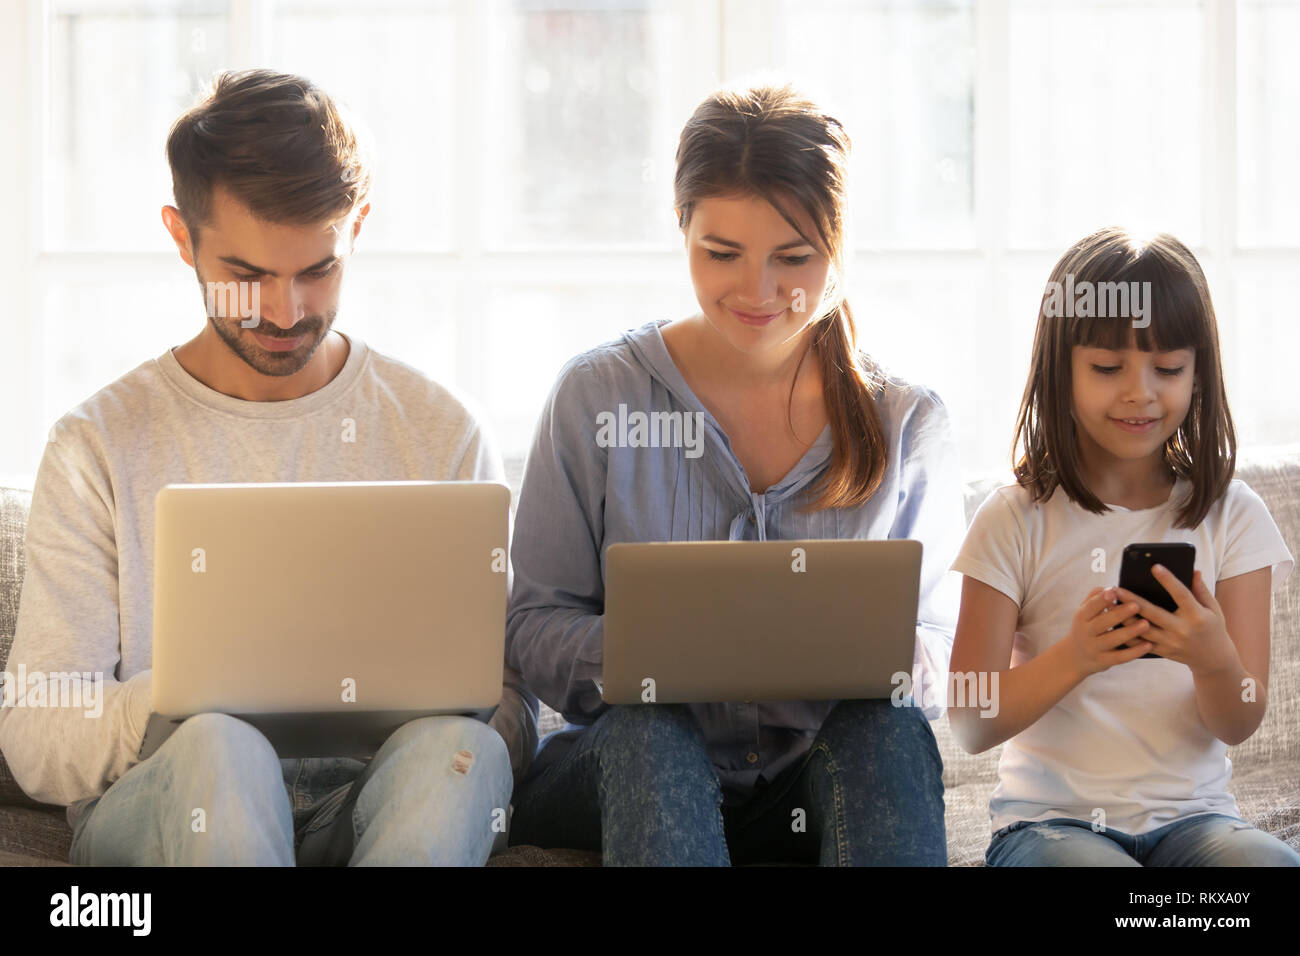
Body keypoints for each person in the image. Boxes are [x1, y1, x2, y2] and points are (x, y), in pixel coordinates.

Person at [0, 69, 536, 866]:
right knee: (223, 745)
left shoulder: (441, 431)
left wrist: (457, 708)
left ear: (357, 226)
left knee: (461, 754)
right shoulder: (97, 444)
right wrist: (188, 693)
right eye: (248, 275)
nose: (285, 312)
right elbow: (37, 735)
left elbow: (511, 712)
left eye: (318, 270)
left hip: (370, 804)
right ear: (182, 238)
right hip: (172, 803)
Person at [505, 81, 965, 866]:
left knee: (886, 731)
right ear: (680, 226)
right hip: (627, 770)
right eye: (721, 254)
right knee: (652, 728)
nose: (758, 293)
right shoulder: (597, 396)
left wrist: (833, 656)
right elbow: (531, 627)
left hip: (814, 778)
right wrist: (665, 656)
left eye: (794, 258)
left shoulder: (906, 422)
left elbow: (941, 642)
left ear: (841, 248)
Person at [948, 226, 1300, 866]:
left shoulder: (1232, 516)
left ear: (1199, 372)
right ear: (1063, 370)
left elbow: (1239, 721)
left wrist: (1213, 657)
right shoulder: (1014, 519)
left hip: (1196, 823)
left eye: (1168, 368)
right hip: (1050, 828)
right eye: (1108, 368)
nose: (1140, 392)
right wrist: (1077, 656)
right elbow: (971, 721)